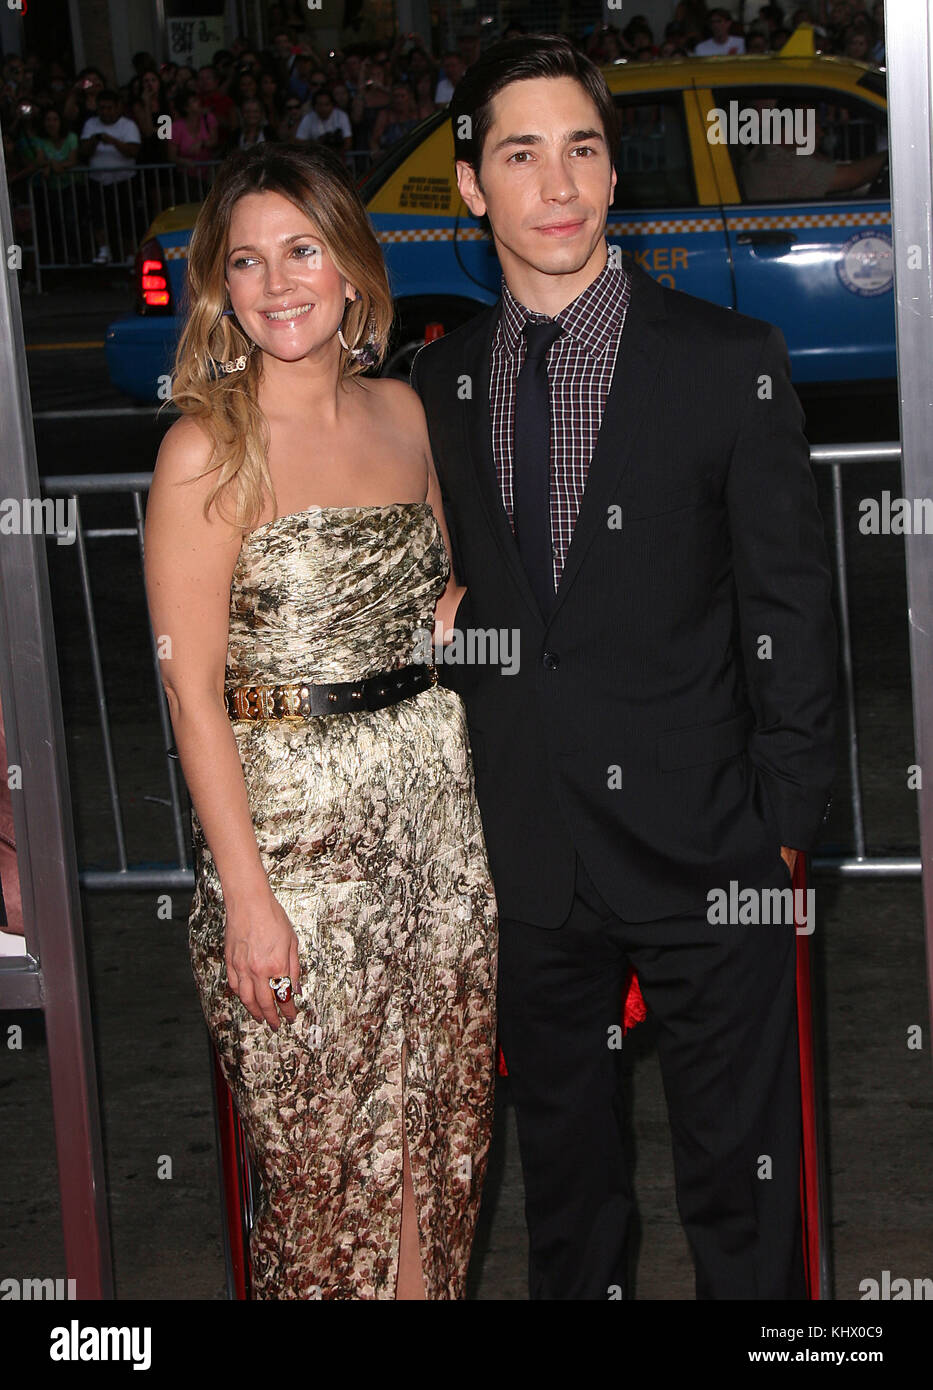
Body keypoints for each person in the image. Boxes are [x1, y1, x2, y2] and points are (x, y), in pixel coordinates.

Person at [410, 35, 836, 1301]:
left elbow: (793, 609)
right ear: (473, 187)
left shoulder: (725, 359)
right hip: (531, 855)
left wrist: (787, 825)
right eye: (522, 153)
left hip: (713, 847)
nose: (559, 183)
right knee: (569, 1202)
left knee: (742, 1192)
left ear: (613, 173)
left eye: (583, 149)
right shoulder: (439, 384)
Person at [143, 141, 497, 1300]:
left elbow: (441, 596)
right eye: (247, 261)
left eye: (302, 249)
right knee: (320, 1169)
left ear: (351, 267)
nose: (278, 281)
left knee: (439, 1144)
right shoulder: (206, 446)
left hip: (435, 827)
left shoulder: (404, 412)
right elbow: (190, 689)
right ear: (221, 289)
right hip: (294, 846)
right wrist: (247, 896)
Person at [79, 89, 141, 264]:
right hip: (97, 180)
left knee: (126, 218)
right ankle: (104, 250)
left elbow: (133, 151)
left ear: (118, 107)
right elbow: (83, 150)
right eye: (102, 108)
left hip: (124, 180)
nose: (105, 112)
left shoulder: (128, 125)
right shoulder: (91, 124)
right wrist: (96, 140)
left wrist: (112, 140)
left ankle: (130, 255)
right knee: (98, 216)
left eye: (109, 108)